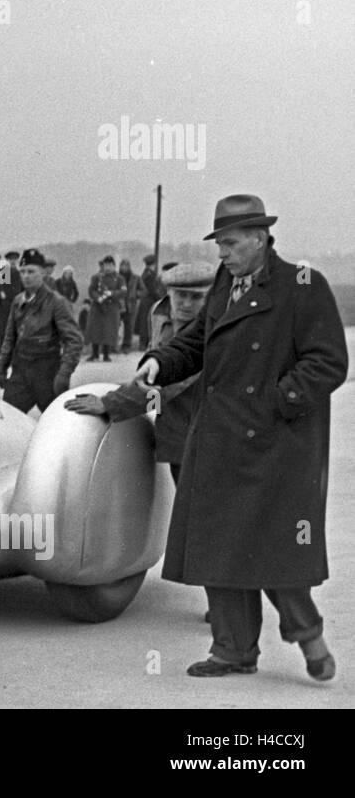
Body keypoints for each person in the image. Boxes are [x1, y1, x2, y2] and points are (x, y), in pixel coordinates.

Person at [135, 195, 347, 681]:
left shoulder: (302, 285)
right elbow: (195, 342)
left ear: (259, 237)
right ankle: (233, 651)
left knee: (272, 550)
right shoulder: (226, 285)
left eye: (230, 244)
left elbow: (329, 361)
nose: (222, 254)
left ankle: (308, 636)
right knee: (217, 544)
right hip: (219, 437)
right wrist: (160, 361)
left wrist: (278, 401)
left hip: (277, 443)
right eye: (220, 245)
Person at [65, 262, 215, 482]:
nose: (186, 303)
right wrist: (149, 407)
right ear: (169, 292)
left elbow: (170, 382)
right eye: (180, 295)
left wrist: (111, 403)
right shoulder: (159, 311)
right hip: (172, 421)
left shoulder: (211, 326)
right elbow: (152, 357)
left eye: (196, 297)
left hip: (201, 428)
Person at [0, 248, 83, 413]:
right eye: (23, 272)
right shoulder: (17, 301)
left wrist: (64, 373)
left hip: (47, 372)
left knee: (56, 424)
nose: (26, 276)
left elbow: (74, 340)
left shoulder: (57, 302)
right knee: (8, 417)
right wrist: (2, 367)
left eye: (31, 271)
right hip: (20, 371)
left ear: (42, 273)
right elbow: (10, 337)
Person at [86, 255, 124, 361]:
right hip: (97, 307)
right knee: (95, 329)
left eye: (110, 265)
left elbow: (123, 291)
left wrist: (112, 293)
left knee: (109, 330)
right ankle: (94, 353)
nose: (108, 267)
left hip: (112, 307)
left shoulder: (119, 278)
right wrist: (97, 298)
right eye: (106, 265)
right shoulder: (96, 277)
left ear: (114, 266)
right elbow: (91, 289)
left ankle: (106, 354)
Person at [0, 251, 23, 354]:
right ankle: (2, 354)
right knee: (4, 331)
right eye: (11, 259)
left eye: (15, 260)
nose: (13, 261)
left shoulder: (20, 273)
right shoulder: (4, 272)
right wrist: (2, 294)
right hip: (5, 306)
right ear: (7, 260)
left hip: (17, 305)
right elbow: (0, 287)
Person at [135, 253, 160, 349]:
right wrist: (161, 298)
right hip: (149, 301)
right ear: (153, 264)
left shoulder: (145, 273)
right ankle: (143, 344)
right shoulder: (151, 275)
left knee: (144, 322)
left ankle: (143, 343)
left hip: (145, 301)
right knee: (146, 323)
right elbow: (153, 289)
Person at [117, 257, 140, 352]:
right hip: (118, 305)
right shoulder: (116, 277)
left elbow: (144, 291)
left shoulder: (136, 278)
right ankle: (111, 346)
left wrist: (135, 294)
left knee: (128, 327)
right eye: (122, 265)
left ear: (129, 267)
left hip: (130, 305)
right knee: (114, 326)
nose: (124, 268)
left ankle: (126, 346)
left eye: (126, 266)